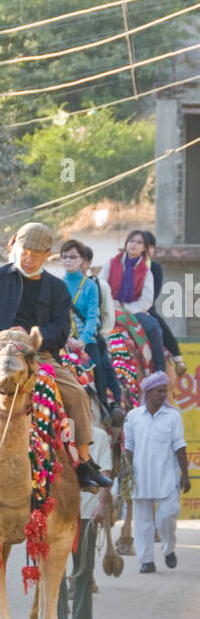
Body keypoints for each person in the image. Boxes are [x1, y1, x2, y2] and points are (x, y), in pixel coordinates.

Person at [0, 222, 111, 491]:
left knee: (76, 395)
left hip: (39, 355)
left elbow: (61, 329)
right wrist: (3, 336)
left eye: (36, 253)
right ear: (15, 247)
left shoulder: (57, 289)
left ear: (47, 255)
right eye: (24, 251)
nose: (29, 258)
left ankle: (83, 462)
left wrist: (30, 336)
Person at [123, 371, 191, 572]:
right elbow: (129, 446)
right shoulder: (133, 416)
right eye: (160, 391)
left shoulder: (173, 416)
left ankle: (168, 549)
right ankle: (146, 561)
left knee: (167, 515)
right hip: (140, 476)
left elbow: (180, 446)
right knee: (143, 521)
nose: (163, 395)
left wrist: (185, 475)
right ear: (149, 392)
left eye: (165, 391)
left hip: (167, 477)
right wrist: (127, 468)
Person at [57, 417, 112, 619]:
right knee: (55, 572)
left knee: (83, 571)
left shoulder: (98, 436)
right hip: (58, 512)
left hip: (87, 511)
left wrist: (101, 504)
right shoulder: (55, 432)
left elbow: (106, 473)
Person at [68, 240, 123, 419]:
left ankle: (110, 405)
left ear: (87, 262)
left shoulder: (97, 285)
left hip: (91, 337)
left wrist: (98, 336)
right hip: (66, 338)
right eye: (68, 257)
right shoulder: (60, 285)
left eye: (80, 260)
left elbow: (105, 315)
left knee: (101, 367)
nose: (76, 263)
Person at [106, 230, 168, 374]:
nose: (134, 244)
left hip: (133, 311)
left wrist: (125, 309)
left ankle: (159, 370)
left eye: (139, 242)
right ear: (126, 243)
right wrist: (112, 305)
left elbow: (146, 300)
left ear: (144, 248)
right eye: (131, 241)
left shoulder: (146, 271)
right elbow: (102, 287)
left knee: (154, 327)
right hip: (109, 308)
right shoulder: (111, 263)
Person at [142, 231, 187, 377]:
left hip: (146, 307)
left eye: (149, 247)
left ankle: (173, 360)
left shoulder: (155, 268)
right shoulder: (124, 265)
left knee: (158, 326)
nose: (146, 250)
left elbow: (154, 294)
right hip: (123, 308)